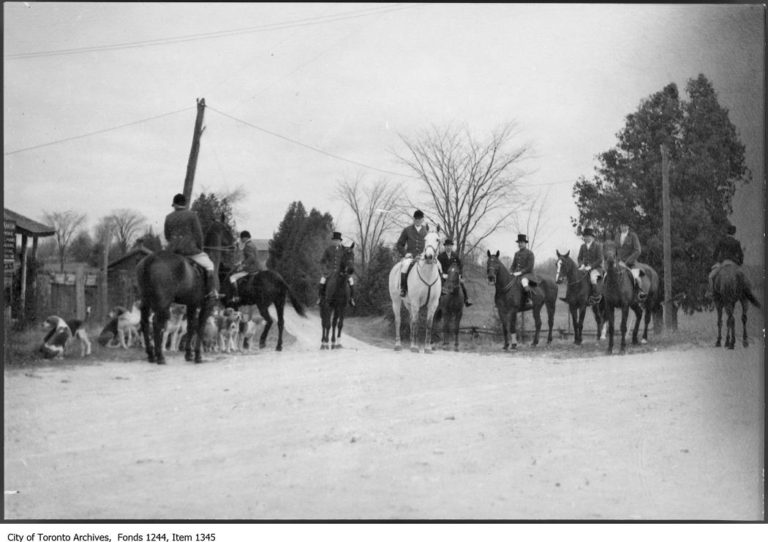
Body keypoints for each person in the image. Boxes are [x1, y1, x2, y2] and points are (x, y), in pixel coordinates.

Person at [163, 193, 218, 300]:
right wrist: (200, 248)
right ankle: (210, 292)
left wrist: (174, 244)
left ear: (174, 205)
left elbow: (167, 236)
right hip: (189, 250)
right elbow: (198, 235)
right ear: (185, 204)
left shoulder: (168, 217)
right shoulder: (192, 215)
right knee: (210, 265)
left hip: (172, 251)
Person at [395, 210, 429, 297]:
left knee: (435, 267)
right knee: (405, 266)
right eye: (416, 219)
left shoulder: (426, 230)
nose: (417, 221)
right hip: (410, 257)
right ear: (413, 219)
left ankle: (435, 291)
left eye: (419, 219)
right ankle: (403, 288)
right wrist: (405, 253)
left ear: (422, 220)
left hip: (423, 257)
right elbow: (399, 244)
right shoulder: (407, 230)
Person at [318, 232, 355, 307]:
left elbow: (346, 261)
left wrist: (346, 270)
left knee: (351, 281)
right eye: (335, 240)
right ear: (333, 241)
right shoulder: (328, 249)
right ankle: (320, 298)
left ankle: (351, 299)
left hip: (341, 272)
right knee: (322, 280)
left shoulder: (343, 250)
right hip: (330, 271)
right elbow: (323, 261)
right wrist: (325, 270)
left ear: (340, 241)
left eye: (338, 240)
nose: (336, 241)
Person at [615, 220, 647, 301]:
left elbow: (638, 250)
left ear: (628, 226)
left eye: (625, 225)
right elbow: (615, 250)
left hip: (630, 263)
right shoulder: (617, 236)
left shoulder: (633, 236)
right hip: (618, 263)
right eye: (621, 225)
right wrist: (616, 260)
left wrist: (627, 261)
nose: (623, 227)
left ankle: (639, 292)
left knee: (635, 276)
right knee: (608, 274)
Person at [228, 230, 263, 304]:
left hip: (252, 268)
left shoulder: (247, 245)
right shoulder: (252, 244)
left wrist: (242, 265)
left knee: (232, 277)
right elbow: (250, 257)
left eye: (241, 238)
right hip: (257, 266)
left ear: (244, 238)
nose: (241, 240)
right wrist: (240, 262)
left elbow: (251, 258)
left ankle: (236, 296)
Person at [436, 238, 472, 307]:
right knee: (439, 286)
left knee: (462, 284)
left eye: (450, 246)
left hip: (453, 276)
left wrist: (460, 274)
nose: (448, 247)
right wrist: (442, 274)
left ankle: (466, 300)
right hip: (444, 276)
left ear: (451, 246)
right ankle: (438, 302)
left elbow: (460, 265)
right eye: (447, 246)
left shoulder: (455, 255)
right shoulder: (440, 256)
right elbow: (437, 267)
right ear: (445, 246)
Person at [708, 223, 744, 291]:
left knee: (710, 277)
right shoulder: (736, 242)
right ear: (734, 233)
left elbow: (715, 253)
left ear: (727, 232)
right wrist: (740, 262)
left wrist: (715, 260)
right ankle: (744, 292)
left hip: (722, 262)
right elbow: (741, 255)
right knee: (742, 277)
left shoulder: (722, 241)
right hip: (734, 263)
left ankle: (710, 292)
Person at [577, 227, 604, 304]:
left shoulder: (597, 246)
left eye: (588, 236)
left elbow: (600, 259)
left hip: (596, 268)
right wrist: (581, 265)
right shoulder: (582, 246)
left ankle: (595, 296)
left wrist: (591, 266)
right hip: (584, 268)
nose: (587, 238)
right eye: (585, 236)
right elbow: (579, 258)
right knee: (575, 276)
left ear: (592, 237)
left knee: (592, 279)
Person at [510, 233, 537, 307]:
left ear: (525, 243)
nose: (520, 244)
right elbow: (513, 265)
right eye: (519, 243)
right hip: (517, 274)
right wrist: (510, 272)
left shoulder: (530, 253)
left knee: (523, 281)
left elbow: (529, 267)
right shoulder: (516, 253)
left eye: (521, 242)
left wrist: (520, 273)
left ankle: (529, 299)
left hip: (528, 274)